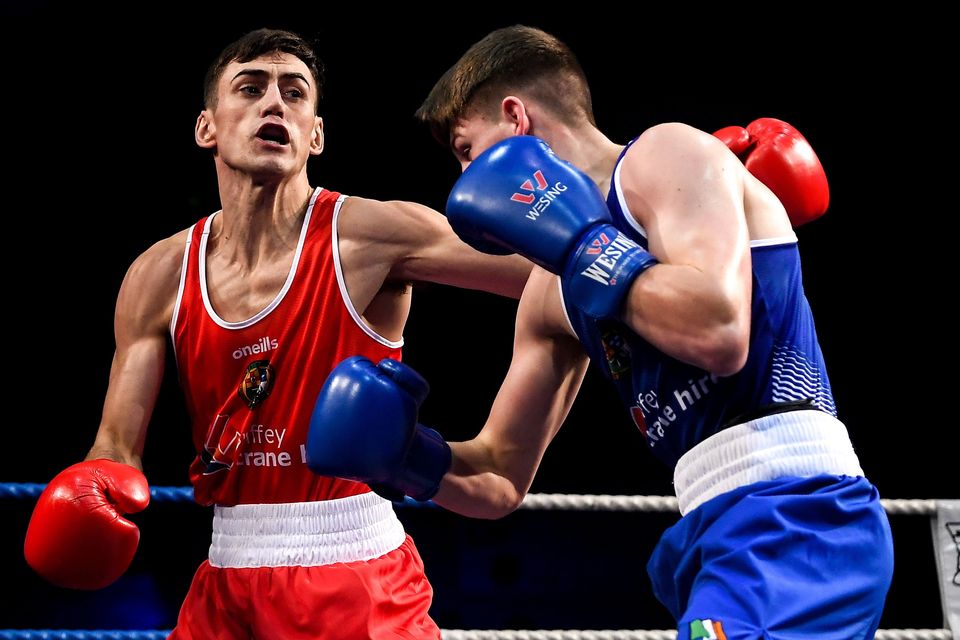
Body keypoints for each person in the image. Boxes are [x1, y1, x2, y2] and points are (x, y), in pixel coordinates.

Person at [306, 25, 894, 640]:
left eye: (466, 150)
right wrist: (407, 457)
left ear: (516, 120)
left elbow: (720, 332)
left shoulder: (666, 155)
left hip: (798, 510)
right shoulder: (547, 293)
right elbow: (500, 475)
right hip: (713, 528)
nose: (463, 181)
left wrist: (585, 244)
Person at [22, 27, 531, 639]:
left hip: (355, 572)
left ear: (315, 135)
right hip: (224, 577)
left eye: (295, 93)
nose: (274, 103)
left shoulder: (370, 235)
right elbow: (116, 444)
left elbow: (552, 275)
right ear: (207, 127)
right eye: (250, 88)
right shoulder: (159, 274)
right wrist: (97, 478)